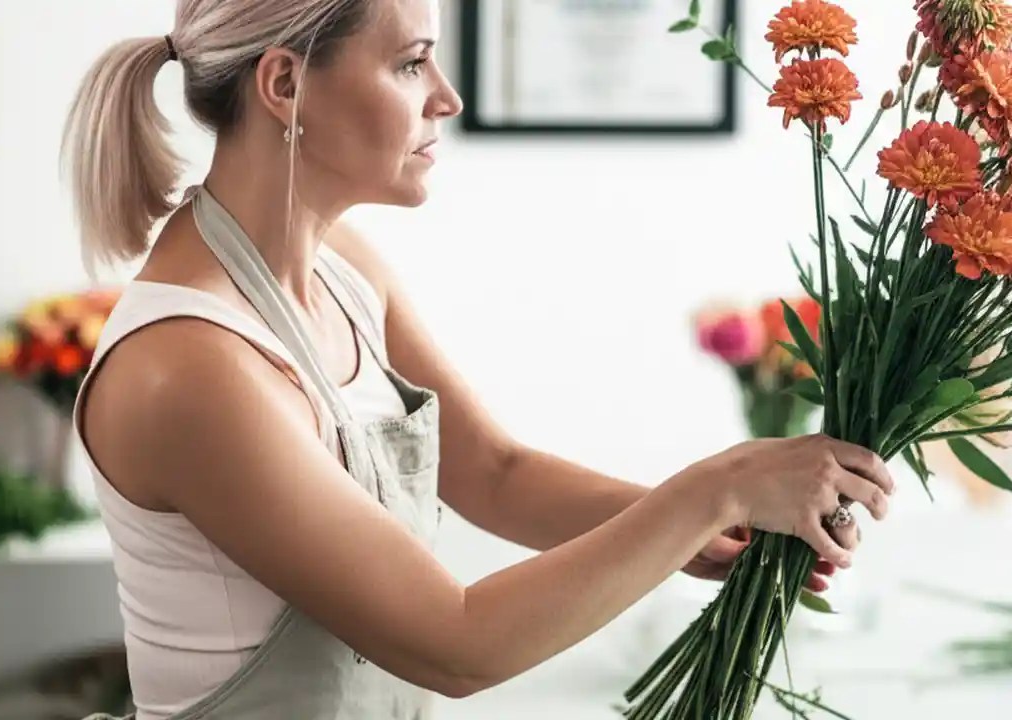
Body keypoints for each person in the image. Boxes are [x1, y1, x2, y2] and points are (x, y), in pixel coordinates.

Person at [59, 1, 895, 718]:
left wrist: (705, 527)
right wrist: (721, 485)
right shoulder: (190, 366)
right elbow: (453, 644)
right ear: (285, 85)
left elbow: (494, 473)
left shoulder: (342, 269)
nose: (447, 99)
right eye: (411, 64)